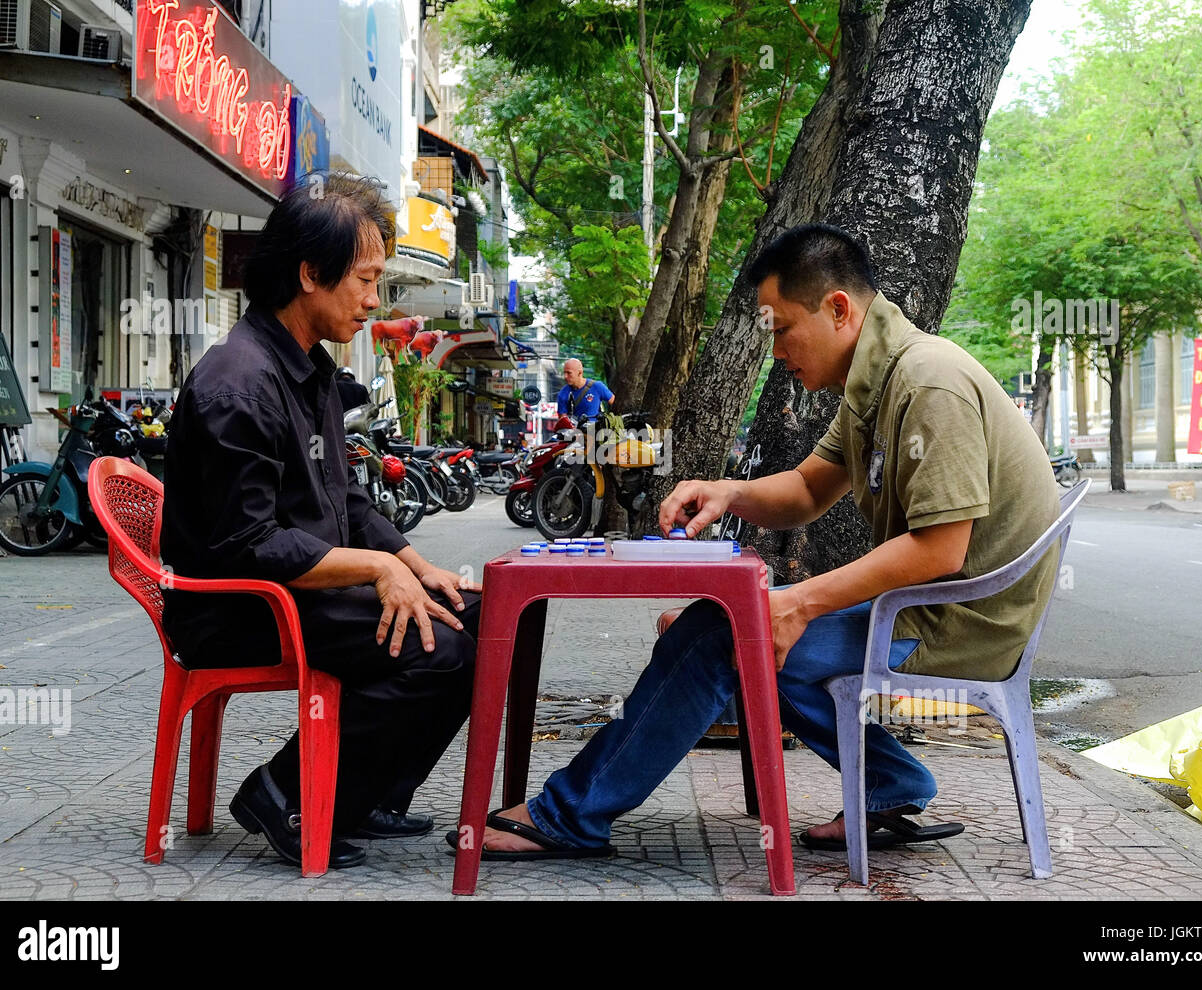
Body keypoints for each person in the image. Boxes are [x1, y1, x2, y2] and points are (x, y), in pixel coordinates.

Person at [449, 223, 1061, 859]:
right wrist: (726, 492)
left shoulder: (926, 382)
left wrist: (797, 605)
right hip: (924, 604)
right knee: (730, 622)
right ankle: (892, 781)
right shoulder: (874, 382)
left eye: (781, 329)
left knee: (726, 636)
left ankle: (570, 814)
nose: (776, 351)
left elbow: (941, 551)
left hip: (962, 621)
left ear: (839, 309)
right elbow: (805, 491)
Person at [162, 173, 481, 870]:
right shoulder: (237, 384)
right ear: (310, 274)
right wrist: (378, 570)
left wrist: (412, 563)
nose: (373, 301)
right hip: (239, 604)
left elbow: (347, 504)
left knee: (475, 616)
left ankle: (365, 797)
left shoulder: (309, 373)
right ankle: (286, 792)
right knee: (442, 650)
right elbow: (249, 546)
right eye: (365, 281)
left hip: (301, 584)